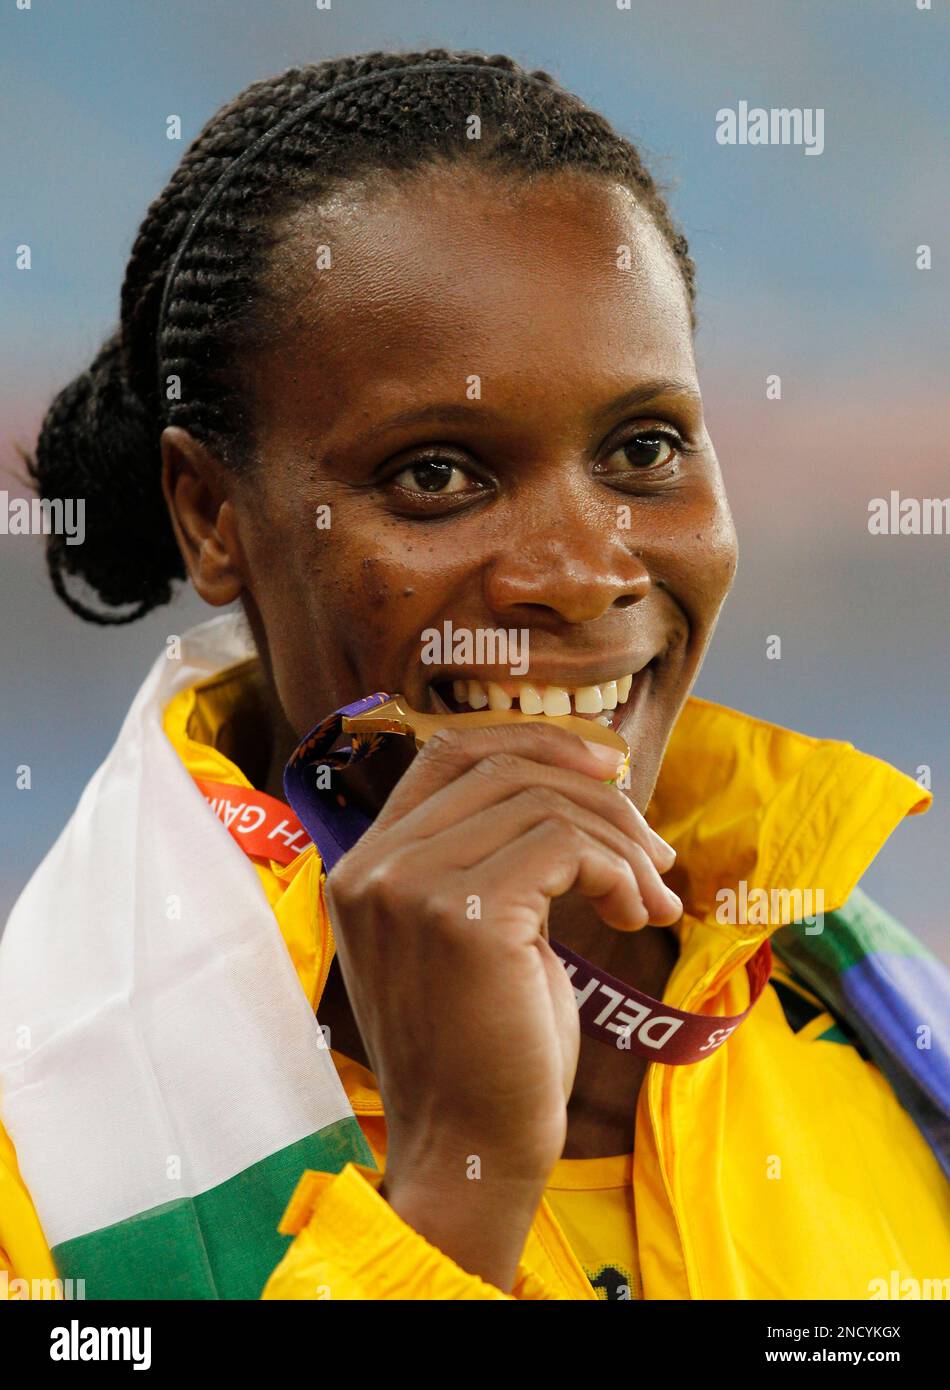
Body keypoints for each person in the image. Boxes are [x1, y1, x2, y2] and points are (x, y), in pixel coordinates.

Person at [1, 49, 947, 1302]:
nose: (577, 572)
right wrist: (456, 1188)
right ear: (211, 518)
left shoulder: (881, 1016)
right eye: (435, 474)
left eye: (643, 448)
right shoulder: (42, 1142)